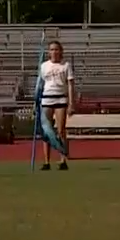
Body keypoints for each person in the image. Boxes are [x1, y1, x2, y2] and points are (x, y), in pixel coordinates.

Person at [38, 40, 75, 170]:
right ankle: (46, 161)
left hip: (60, 99)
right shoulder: (44, 66)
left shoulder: (66, 65)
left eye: (56, 49)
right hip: (46, 99)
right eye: (52, 49)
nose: (54, 52)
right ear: (49, 52)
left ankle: (62, 159)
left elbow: (70, 85)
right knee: (47, 131)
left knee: (60, 130)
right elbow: (41, 84)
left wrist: (71, 103)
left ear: (61, 51)